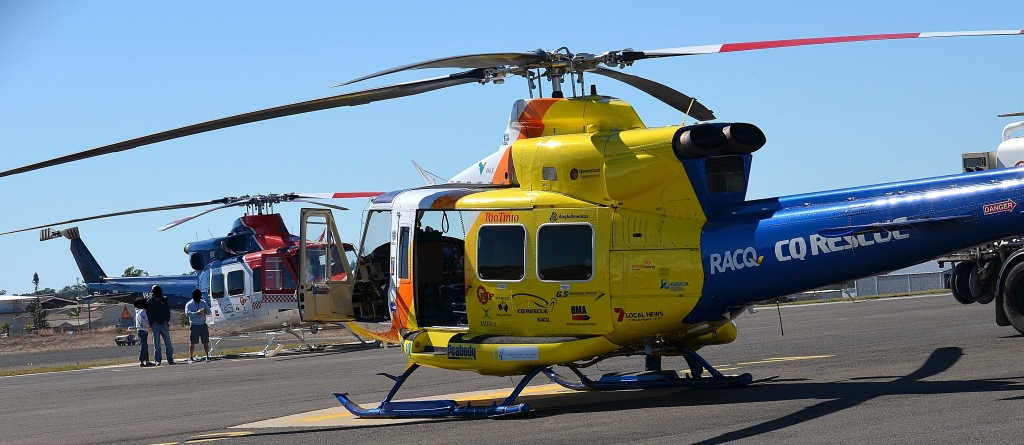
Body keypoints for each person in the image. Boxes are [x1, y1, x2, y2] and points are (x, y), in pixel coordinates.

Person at [146, 285, 176, 365]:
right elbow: (148, 313)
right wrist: (152, 322)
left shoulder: (164, 300)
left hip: (164, 324)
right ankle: (157, 360)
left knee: (168, 342)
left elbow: (167, 311)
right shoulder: (150, 301)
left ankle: (170, 359)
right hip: (155, 325)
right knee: (157, 344)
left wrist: (166, 320)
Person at [184, 288, 212, 363]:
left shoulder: (203, 302)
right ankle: (190, 357)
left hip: (203, 324)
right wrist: (196, 313)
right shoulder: (189, 304)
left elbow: (209, 312)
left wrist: (205, 311)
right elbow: (187, 313)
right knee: (192, 342)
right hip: (194, 325)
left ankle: (207, 356)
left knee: (205, 341)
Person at [134, 297, 154, 367]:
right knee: (143, 345)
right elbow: (143, 321)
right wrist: (148, 325)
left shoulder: (138, 311)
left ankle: (147, 360)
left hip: (142, 329)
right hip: (143, 329)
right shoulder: (142, 311)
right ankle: (142, 360)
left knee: (145, 345)